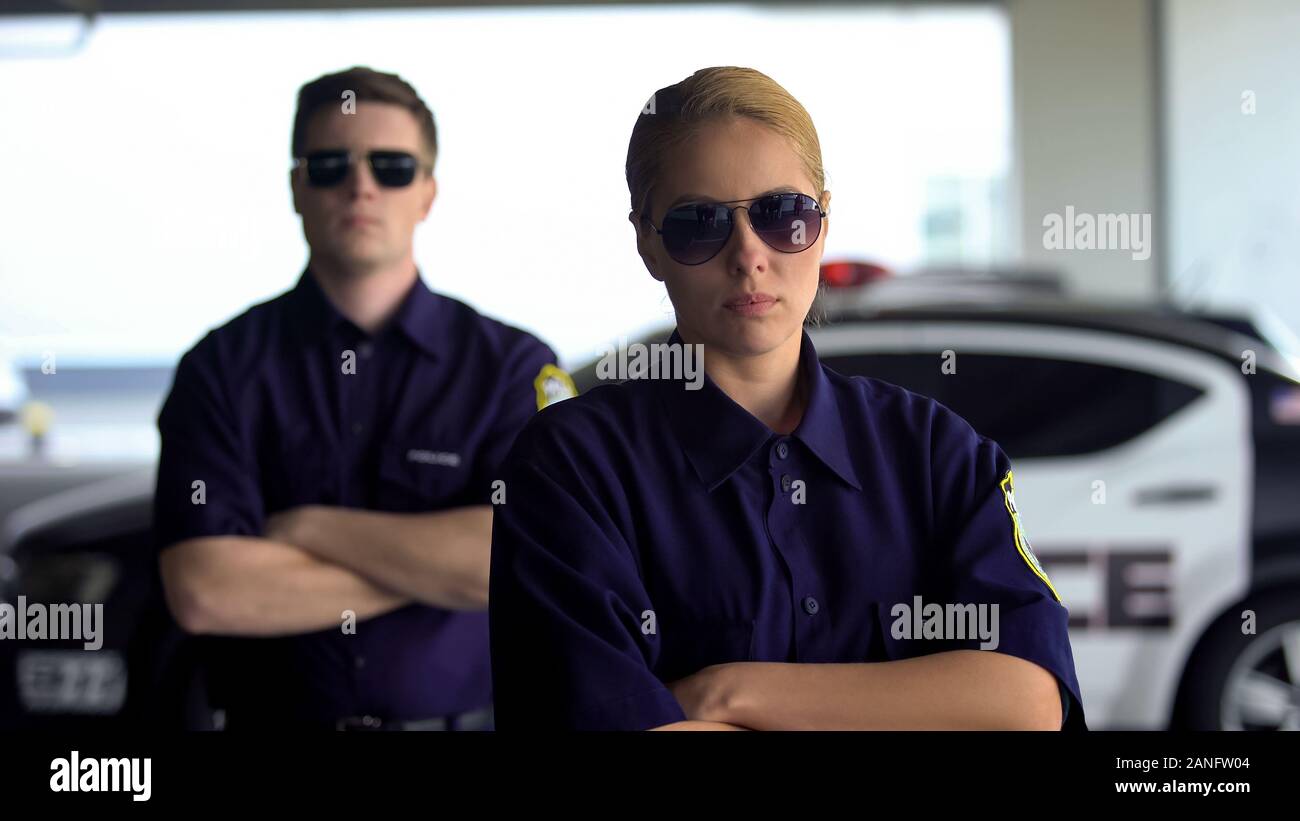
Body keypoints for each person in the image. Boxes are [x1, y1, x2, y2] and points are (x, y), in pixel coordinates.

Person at [488, 66, 1084, 730]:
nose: (747, 255)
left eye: (782, 214)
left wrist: (726, 693)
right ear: (648, 241)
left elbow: (1028, 702)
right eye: (698, 223)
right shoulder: (572, 466)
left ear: (823, 223)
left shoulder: (936, 450)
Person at [154, 66, 572, 730]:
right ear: (297, 186)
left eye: (393, 167)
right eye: (329, 165)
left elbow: (533, 559)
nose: (361, 186)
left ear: (428, 193)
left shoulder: (515, 367)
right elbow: (206, 591)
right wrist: (439, 570)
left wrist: (307, 528)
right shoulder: (219, 368)